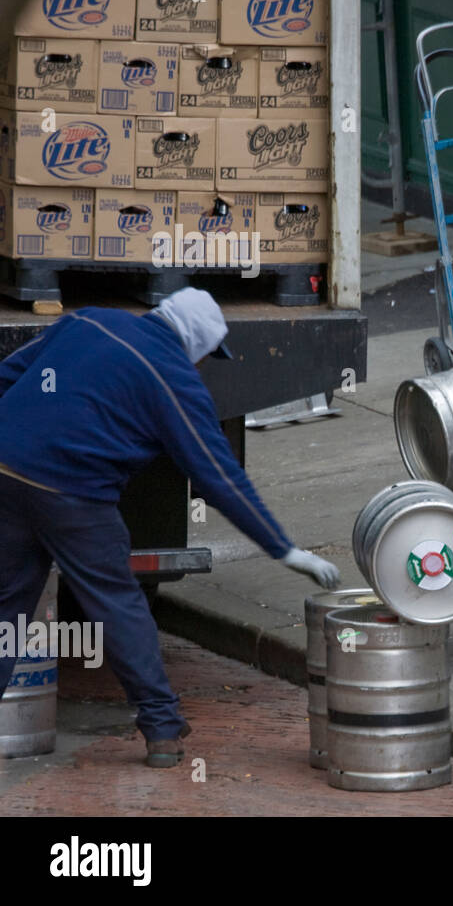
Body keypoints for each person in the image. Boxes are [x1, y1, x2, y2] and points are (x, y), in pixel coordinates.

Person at [0, 288, 340, 768]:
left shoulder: (92, 319)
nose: (204, 364)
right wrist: (284, 549)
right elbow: (219, 477)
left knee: (7, 611)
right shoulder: (175, 378)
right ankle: (161, 728)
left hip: (5, 472)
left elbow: (10, 372)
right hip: (73, 494)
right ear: (196, 344)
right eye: (207, 355)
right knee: (118, 606)